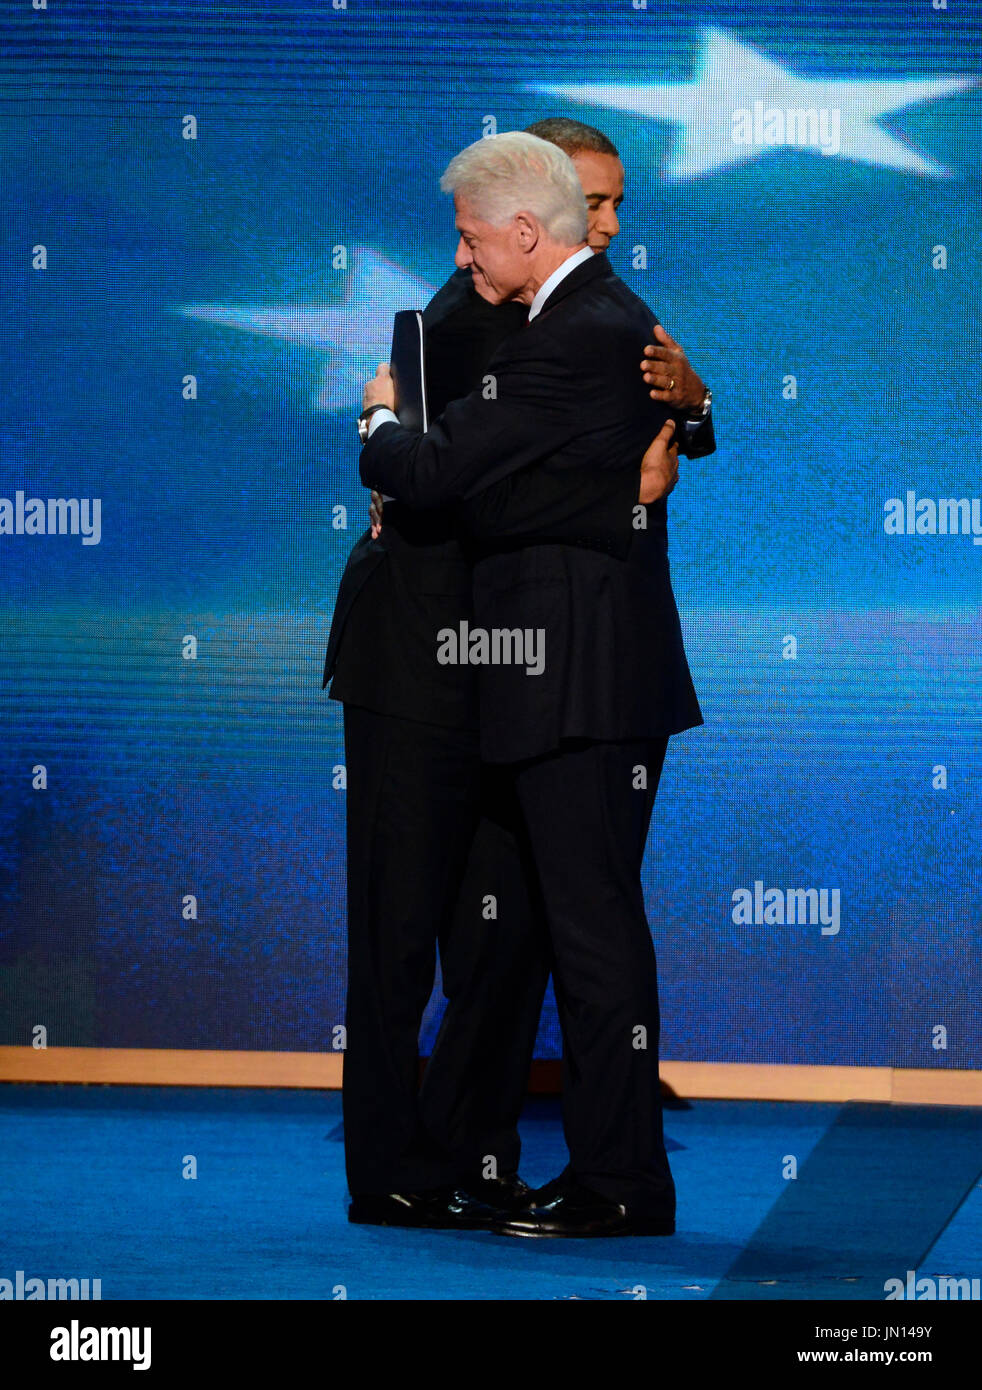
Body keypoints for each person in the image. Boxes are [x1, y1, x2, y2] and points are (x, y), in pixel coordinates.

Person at [327, 121, 714, 1231]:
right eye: (596, 205)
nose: (613, 226)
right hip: (423, 661)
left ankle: (474, 1152)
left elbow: (595, 426)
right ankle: (401, 1164)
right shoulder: (468, 318)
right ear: (532, 215)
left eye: (613, 204)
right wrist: (626, 484)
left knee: (518, 932)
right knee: (407, 929)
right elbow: (443, 484)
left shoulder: (581, 317)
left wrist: (686, 413)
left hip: (529, 670)